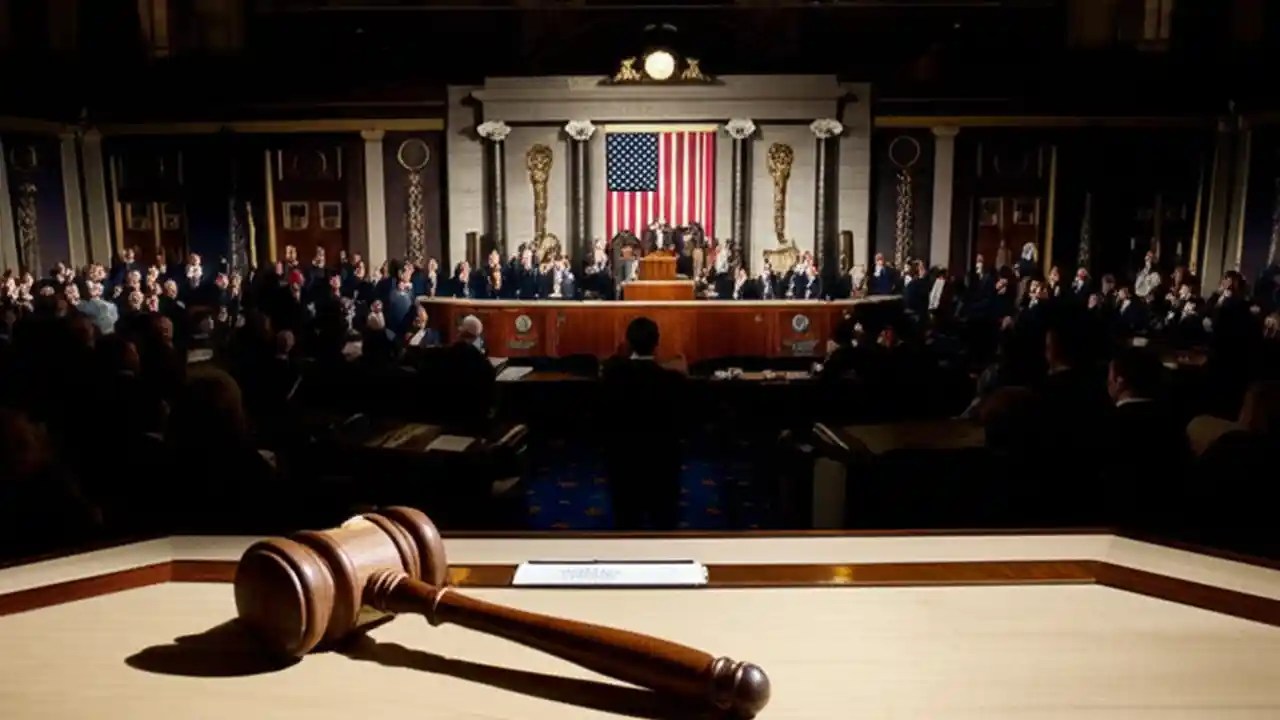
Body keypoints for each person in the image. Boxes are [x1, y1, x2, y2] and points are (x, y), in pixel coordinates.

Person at [599, 317, 688, 529]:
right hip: (662, 464)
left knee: (626, 521)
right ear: (657, 343)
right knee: (664, 521)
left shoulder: (612, 379)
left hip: (623, 463)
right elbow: (684, 425)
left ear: (628, 343)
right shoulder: (673, 382)